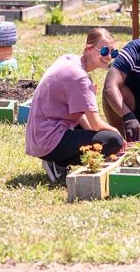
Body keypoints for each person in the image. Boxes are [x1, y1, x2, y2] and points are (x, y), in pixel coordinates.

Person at [25, 27, 124, 184]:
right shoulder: (80, 78)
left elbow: (82, 117)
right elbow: (96, 124)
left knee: (100, 135)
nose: (109, 57)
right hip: (49, 140)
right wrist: (117, 133)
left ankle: (56, 159)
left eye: (114, 52)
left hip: (39, 134)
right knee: (114, 141)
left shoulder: (69, 59)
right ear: (88, 49)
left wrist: (92, 132)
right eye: (104, 51)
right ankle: (58, 161)